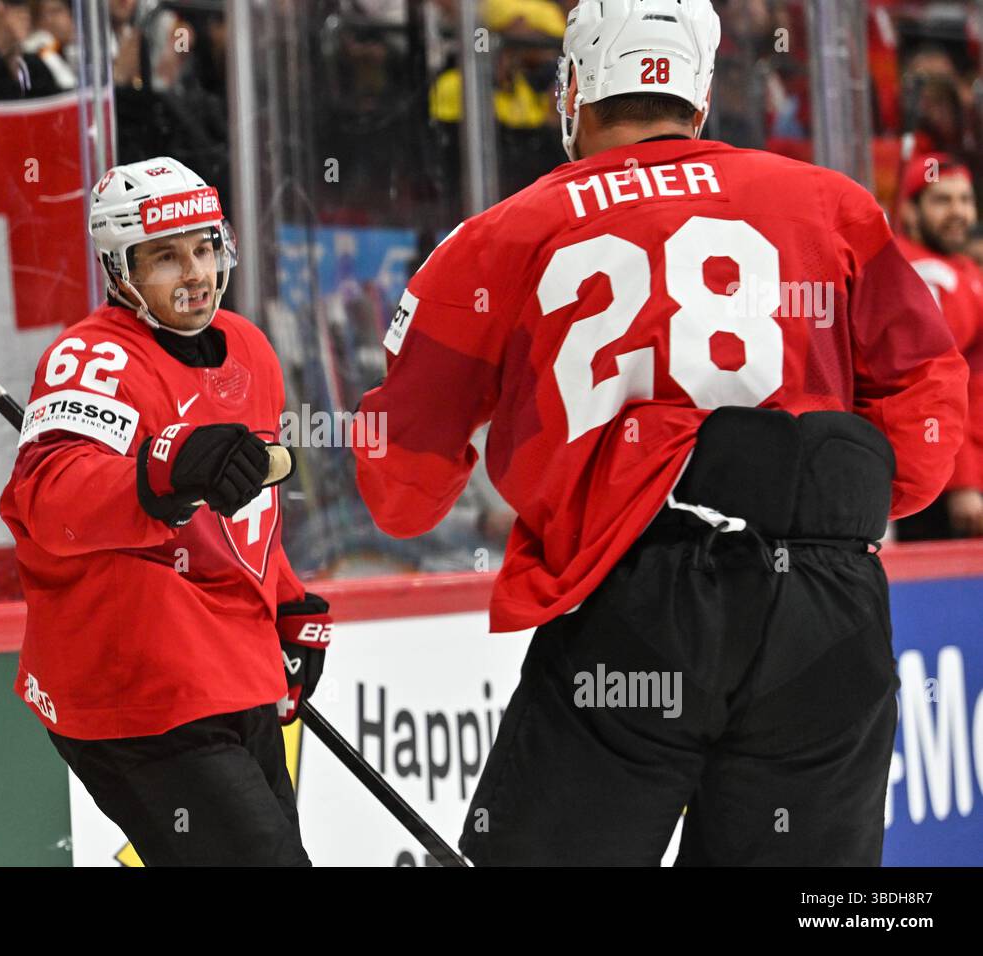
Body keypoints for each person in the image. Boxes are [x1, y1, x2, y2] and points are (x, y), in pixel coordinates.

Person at [352, 0, 968, 866]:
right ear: (700, 94)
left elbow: (403, 493)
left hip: (636, 597)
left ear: (574, 90)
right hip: (828, 603)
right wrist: (826, 503)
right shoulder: (829, 201)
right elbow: (929, 401)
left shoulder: (501, 235)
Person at [0, 157, 331, 866]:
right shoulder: (89, 359)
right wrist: (158, 473)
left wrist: (287, 600)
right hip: (134, 690)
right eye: (166, 256)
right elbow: (45, 499)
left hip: (230, 668)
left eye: (206, 248)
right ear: (120, 270)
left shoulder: (248, 348)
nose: (196, 273)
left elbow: (246, 519)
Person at [894, 154, 983, 539]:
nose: (958, 212)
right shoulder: (919, 272)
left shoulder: (963, 270)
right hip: (934, 484)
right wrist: (961, 482)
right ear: (911, 210)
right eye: (942, 200)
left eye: (965, 199)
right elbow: (930, 387)